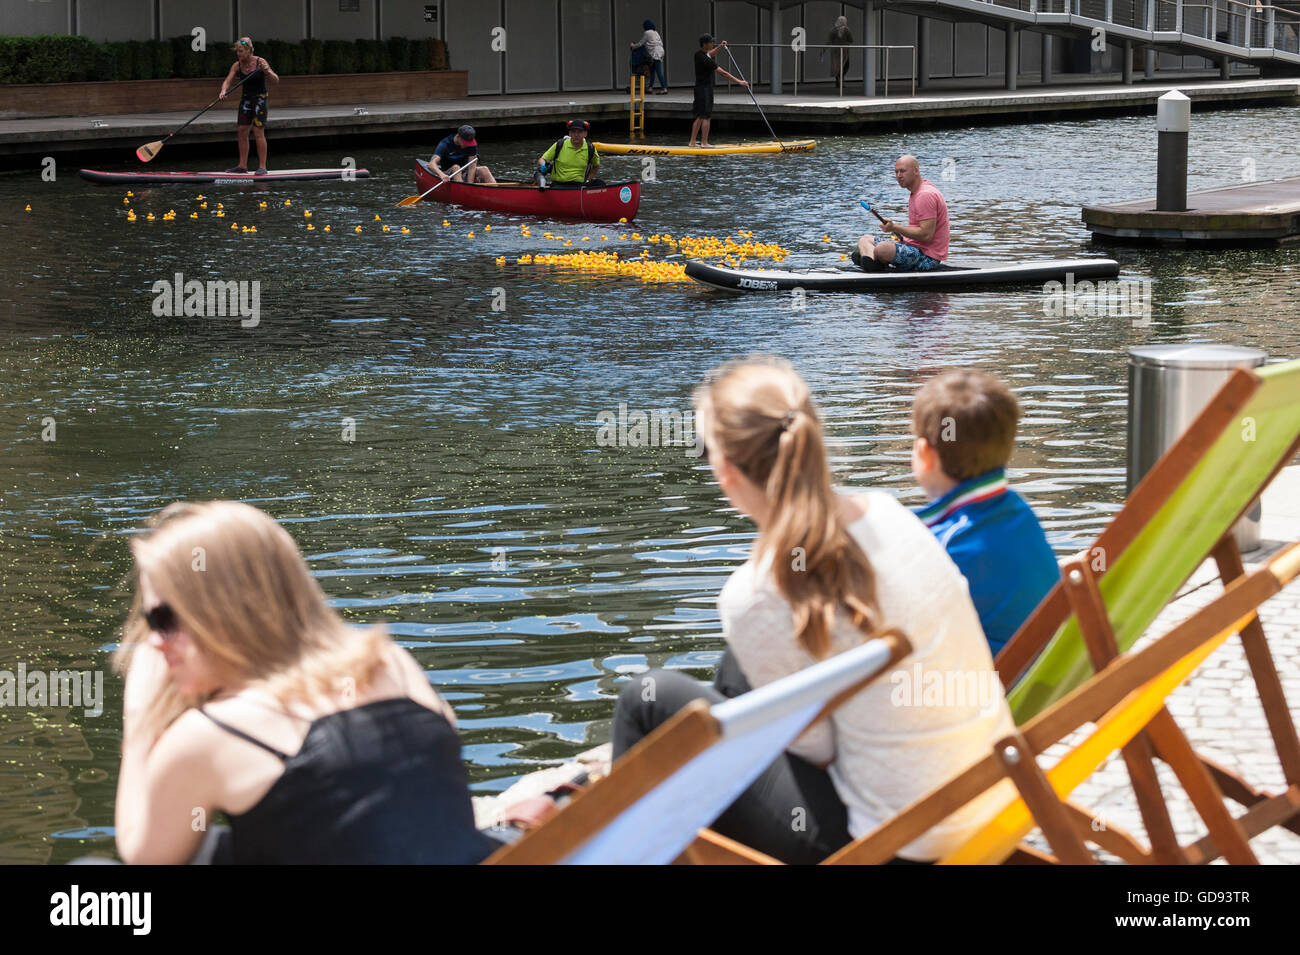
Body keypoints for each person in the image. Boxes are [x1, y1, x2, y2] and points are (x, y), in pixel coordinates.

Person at [612, 358, 1016, 864]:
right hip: (995, 801)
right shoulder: (890, 513)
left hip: (894, 846)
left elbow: (816, 750)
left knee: (647, 701)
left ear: (726, 471)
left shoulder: (756, 592)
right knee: (741, 666)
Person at [112, 500, 497, 864]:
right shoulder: (389, 660)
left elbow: (144, 856)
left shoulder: (209, 735)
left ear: (224, 609)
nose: (153, 642)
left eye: (163, 620)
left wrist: (140, 719)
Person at [910, 369, 1060, 656]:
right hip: (1041, 675)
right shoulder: (1020, 512)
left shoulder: (938, 544)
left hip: (988, 692)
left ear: (925, 455)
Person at [853, 154, 949, 272]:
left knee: (882, 249)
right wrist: (901, 235)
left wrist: (895, 227)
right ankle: (871, 262)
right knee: (865, 239)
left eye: (902, 171)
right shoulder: (917, 192)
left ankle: (871, 260)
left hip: (927, 257)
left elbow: (926, 235)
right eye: (896, 172)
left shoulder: (925, 195)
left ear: (916, 171)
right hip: (912, 249)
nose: (899, 175)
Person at [219, 37, 279, 175]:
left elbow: (276, 80)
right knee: (241, 130)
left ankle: (262, 167)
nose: (238, 54)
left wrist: (267, 71)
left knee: (258, 131)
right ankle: (242, 166)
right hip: (246, 100)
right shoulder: (237, 65)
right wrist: (223, 91)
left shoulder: (260, 62)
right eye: (237, 51)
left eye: (241, 51)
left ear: (249, 51)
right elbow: (227, 81)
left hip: (260, 100)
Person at [690, 34, 748, 148]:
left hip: (699, 89)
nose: (713, 44)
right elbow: (723, 73)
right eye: (711, 42)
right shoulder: (706, 60)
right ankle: (704, 143)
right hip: (705, 89)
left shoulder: (699, 54)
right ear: (705, 44)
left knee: (700, 116)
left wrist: (720, 46)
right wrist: (740, 82)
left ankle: (692, 142)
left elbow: (710, 54)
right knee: (706, 116)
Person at [537, 120, 604, 188]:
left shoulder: (590, 148)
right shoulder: (559, 145)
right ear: (569, 133)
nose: (576, 135)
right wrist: (543, 165)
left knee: (600, 183)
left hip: (579, 186)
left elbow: (596, 166)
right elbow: (542, 159)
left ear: (585, 134)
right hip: (559, 185)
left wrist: (588, 180)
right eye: (573, 132)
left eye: (579, 132)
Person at [430, 124, 496, 184]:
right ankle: (461, 189)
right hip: (448, 174)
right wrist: (442, 175)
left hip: (465, 172)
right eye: (466, 142)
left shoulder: (472, 144)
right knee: (456, 167)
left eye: (469, 143)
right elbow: (431, 164)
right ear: (458, 136)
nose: (468, 145)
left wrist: (470, 184)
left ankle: (495, 191)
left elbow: (472, 166)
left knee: (484, 169)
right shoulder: (445, 144)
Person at [631, 19, 667, 93]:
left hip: (655, 53)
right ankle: (650, 87)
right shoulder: (655, 32)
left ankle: (664, 88)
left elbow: (641, 43)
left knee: (658, 71)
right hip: (660, 52)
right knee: (652, 71)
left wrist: (633, 46)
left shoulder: (647, 33)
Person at [826, 15, 854, 92]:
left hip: (835, 51)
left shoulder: (833, 30)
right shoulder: (847, 30)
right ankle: (841, 80)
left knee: (837, 65)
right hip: (844, 50)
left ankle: (838, 80)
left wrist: (823, 50)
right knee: (845, 66)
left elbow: (829, 41)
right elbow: (851, 40)